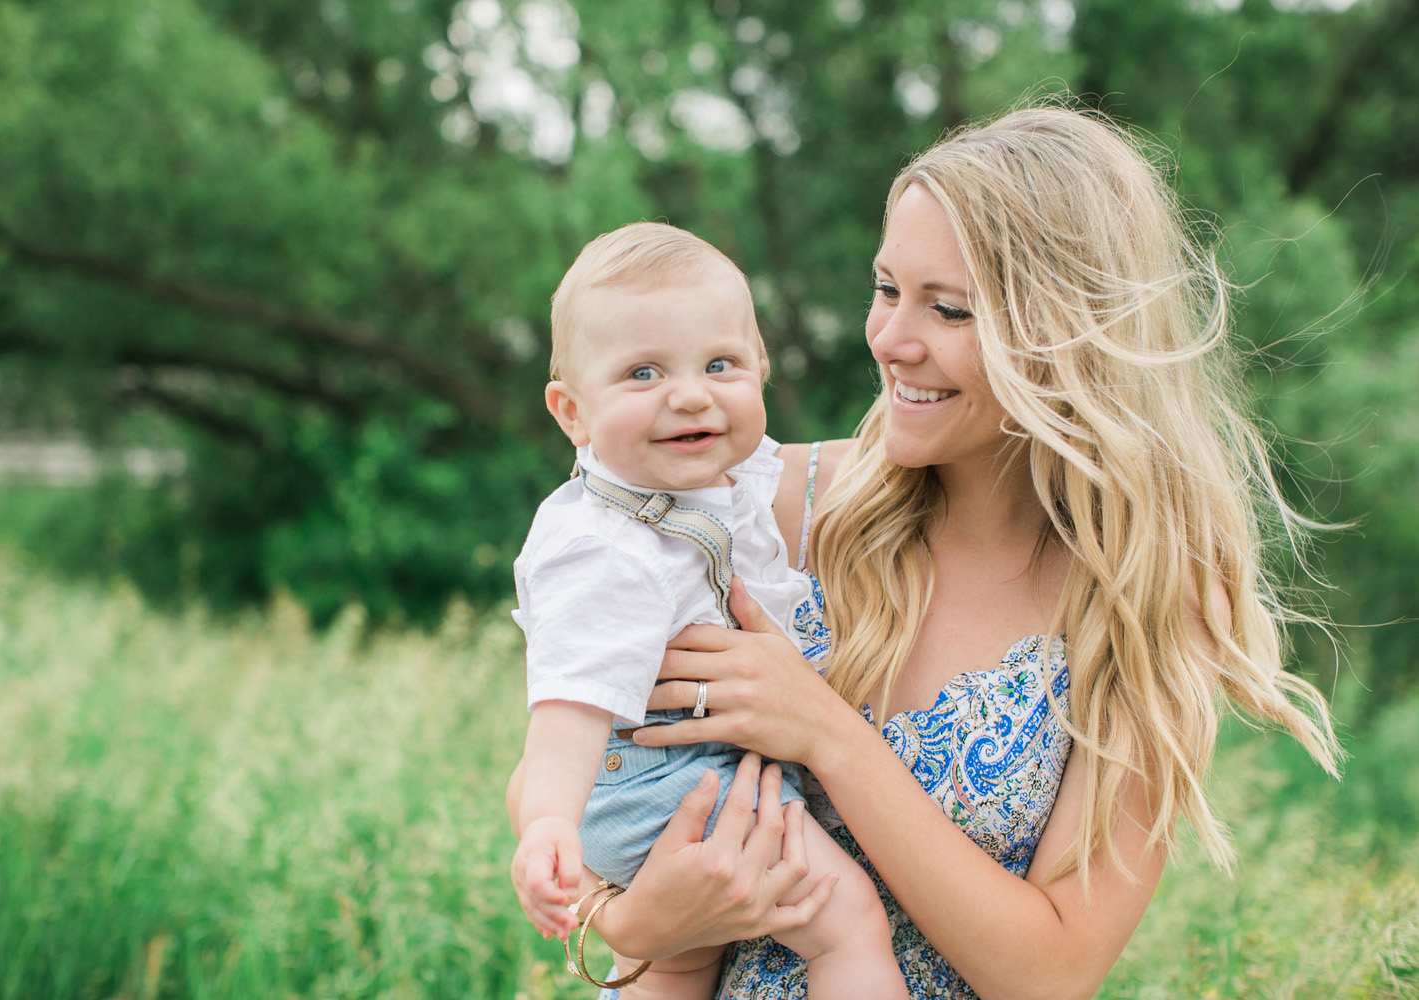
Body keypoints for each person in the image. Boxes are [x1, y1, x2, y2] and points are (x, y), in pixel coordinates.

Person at [547, 105, 1343, 999]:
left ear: (1065, 336)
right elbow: (588, 770)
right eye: (887, 289)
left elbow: (1053, 971)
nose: (891, 340)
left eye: (949, 308)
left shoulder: (1153, 594)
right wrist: (637, 924)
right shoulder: (762, 509)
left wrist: (827, 735)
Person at [509, 222, 906, 999]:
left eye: (718, 363)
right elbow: (568, 701)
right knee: (846, 920)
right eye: (642, 372)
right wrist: (550, 824)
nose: (689, 393)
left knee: (683, 960)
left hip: (672, 772)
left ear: (759, 368)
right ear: (572, 413)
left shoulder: (725, 475)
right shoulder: (604, 547)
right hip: (666, 778)